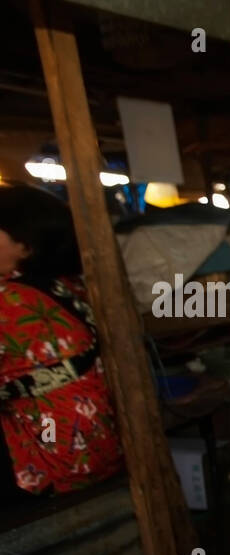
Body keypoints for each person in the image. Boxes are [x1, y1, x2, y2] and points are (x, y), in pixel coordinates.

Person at [0, 185, 123, 500]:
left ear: (25, 246)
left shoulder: (11, 301)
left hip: (49, 462)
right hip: (99, 446)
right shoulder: (69, 287)